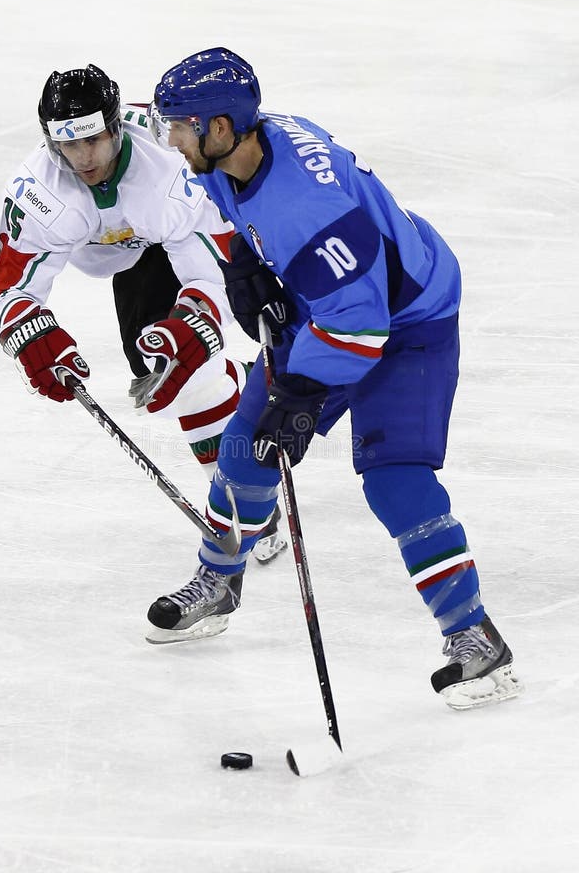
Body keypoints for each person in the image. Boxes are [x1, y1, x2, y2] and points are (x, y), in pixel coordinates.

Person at [141, 46, 523, 710]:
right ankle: (219, 580)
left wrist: (297, 396)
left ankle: (474, 639)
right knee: (243, 451)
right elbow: (231, 209)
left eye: (179, 125)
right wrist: (243, 266)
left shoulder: (306, 210)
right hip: (332, 311)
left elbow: (361, 326)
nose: (171, 139)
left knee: (394, 481)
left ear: (221, 128)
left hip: (406, 323)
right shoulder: (243, 146)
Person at [0, 63, 286, 567]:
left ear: (115, 125)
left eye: (93, 140)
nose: (82, 158)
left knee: (186, 370)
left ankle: (243, 498)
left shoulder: (172, 160)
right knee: (154, 366)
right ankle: (247, 385)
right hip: (125, 252)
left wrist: (199, 319)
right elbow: (5, 291)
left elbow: (218, 265)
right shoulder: (39, 192)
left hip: (174, 237)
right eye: (67, 144)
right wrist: (29, 332)